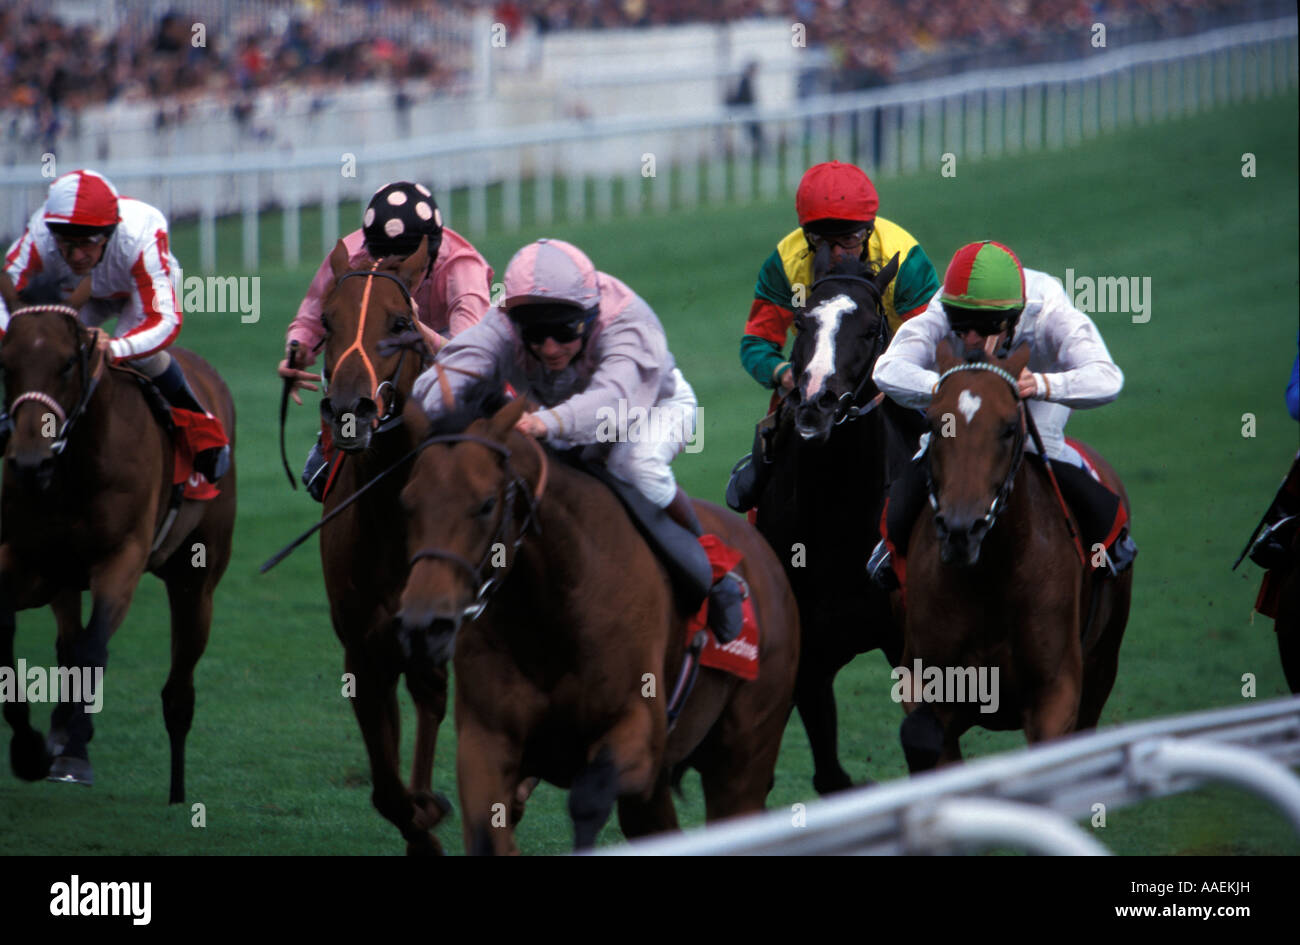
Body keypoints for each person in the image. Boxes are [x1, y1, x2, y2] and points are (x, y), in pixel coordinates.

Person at [412, 238, 744, 642]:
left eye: (565, 332)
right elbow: (457, 367)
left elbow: (615, 402)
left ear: (589, 316)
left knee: (632, 465)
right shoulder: (505, 322)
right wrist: (434, 411)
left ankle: (713, 573)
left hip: (649, 408)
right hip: (557, 418)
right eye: (536, 335)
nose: (550, 348)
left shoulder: (627, 321)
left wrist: (545, 424)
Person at [868, 239, 1137, 584]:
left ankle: (1110, 539)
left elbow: (1107, 379)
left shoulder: (1049, 312)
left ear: (1014, 318)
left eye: (984, 327)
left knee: (1040, 448)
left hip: (1035, 383)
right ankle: (890, 547)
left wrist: (1040, 385)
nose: (971, 339)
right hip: (964, 390)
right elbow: (886, 370)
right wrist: (947, 388)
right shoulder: (941, 308)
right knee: (932, 448)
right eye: (961, 326)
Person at [726, 160, 940, 511]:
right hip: (812, 382)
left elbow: (936, 343)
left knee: (945, 441)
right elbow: (757, 344)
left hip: (894, 376)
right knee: (763, 478)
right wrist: (783, 374)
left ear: (869, 230)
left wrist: (902, 379)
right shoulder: (785, 262)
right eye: (822, 241)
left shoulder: (906, 259)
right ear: (806, 234)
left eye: (850, 238)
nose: (837, 252)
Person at [0, 169, 230, 480]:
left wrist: (116, 347)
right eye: (66, 244)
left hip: (138, 291)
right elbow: (4, 300)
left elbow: (163, 320)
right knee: (44, 353)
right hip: (81, 293)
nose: (76, 254)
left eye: (86, 243)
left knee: (140, 355)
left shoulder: (141, 234)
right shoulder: (41, 231)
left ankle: (200, 429)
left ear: (109, 233)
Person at [280, 181, 493, 499]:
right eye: (381, 260)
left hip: (448, 360)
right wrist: (296, 349)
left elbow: (468, 356)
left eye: (403, 267)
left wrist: (419, 329)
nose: (390, 274)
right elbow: (312, 316)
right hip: (386, 356)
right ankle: (336, 446)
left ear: (430, 256)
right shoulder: (353, 253)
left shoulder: (463, 266)